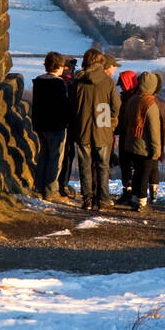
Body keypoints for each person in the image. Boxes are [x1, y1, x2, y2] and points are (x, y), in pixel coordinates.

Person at [69, 48, 120, 210]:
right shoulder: (108, 81)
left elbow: (71, 106)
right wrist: (108, 120)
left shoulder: (78, 81)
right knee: (103, 166)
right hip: (103, 127)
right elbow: (116, 106)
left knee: (85, 166)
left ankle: (88, 199)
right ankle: (103, 200)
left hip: (83, 128)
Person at [119, 71, 163, 212]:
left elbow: (126, 122)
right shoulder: (151, 104)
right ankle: (142, 203)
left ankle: (134, 199)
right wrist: (156, 150)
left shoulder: (132, 100)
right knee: (144, 175)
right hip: (144, 147)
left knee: (137, 174)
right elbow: (154, 129)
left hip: (131, 143)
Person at [30, 51, 69, 202]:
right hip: (56, 125)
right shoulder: (58, 84)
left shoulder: (38, 82)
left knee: (43, 156)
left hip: (40, 125)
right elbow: (63, 106)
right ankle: (51, 191)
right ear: (58, 66)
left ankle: (39, 187)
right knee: (55, 158)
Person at [113, 69, 139, 205]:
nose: (121, 87)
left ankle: (132, 192)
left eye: (123, 84)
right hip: (125, 135)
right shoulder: (124, 97)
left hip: (132, 136)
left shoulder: (134, 99)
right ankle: (127, 190)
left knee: (131, 164)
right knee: (124, 164)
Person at [58, 56, 78, 198]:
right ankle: (62, 184)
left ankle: (61, 183)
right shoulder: (69, 83)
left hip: (60, 123)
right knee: (67, 154)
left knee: (65, 154)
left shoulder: (62, 82)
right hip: (67, 123)